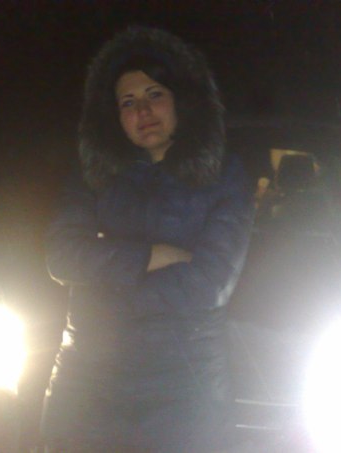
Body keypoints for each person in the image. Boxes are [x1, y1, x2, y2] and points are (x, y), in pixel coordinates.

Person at [40, 26, 254, 452]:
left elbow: (209, 283)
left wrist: (103, 276)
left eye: (155, 94)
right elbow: (61, 256)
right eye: (128, 101)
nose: (143, 110)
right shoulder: (93, 175)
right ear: (113, 115)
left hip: (184, 387)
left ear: (182, 99)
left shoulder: (223, 174)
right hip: (86, 383)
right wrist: (149, 256)